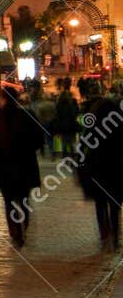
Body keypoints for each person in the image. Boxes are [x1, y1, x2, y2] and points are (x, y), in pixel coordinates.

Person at [0, 85, 43, 248]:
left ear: (3, 99)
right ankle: (22, 226)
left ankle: (16, 232)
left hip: (4, 169)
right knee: (23, 199)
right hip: (24, 167)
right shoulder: (27, 116)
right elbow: (39, 139)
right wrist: (29, 150)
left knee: (9, 201)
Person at [78, 84, 123, 251]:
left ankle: (104, 234)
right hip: (116, 167)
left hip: (97, 166)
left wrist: (80, 160)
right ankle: (116, 238)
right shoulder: (117, 120)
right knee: (115, 204)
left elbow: (84, 142)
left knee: (100, 202)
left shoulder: (92, 121)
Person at [53, 82, 79, 158]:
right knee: (71, 141)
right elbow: (74, 115)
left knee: (64, 141)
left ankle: (64, 155)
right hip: (71, 125)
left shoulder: (58, 105)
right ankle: (72, 155)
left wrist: (57, 127)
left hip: (62, 126)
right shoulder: (71, 105)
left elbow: (57, 117)